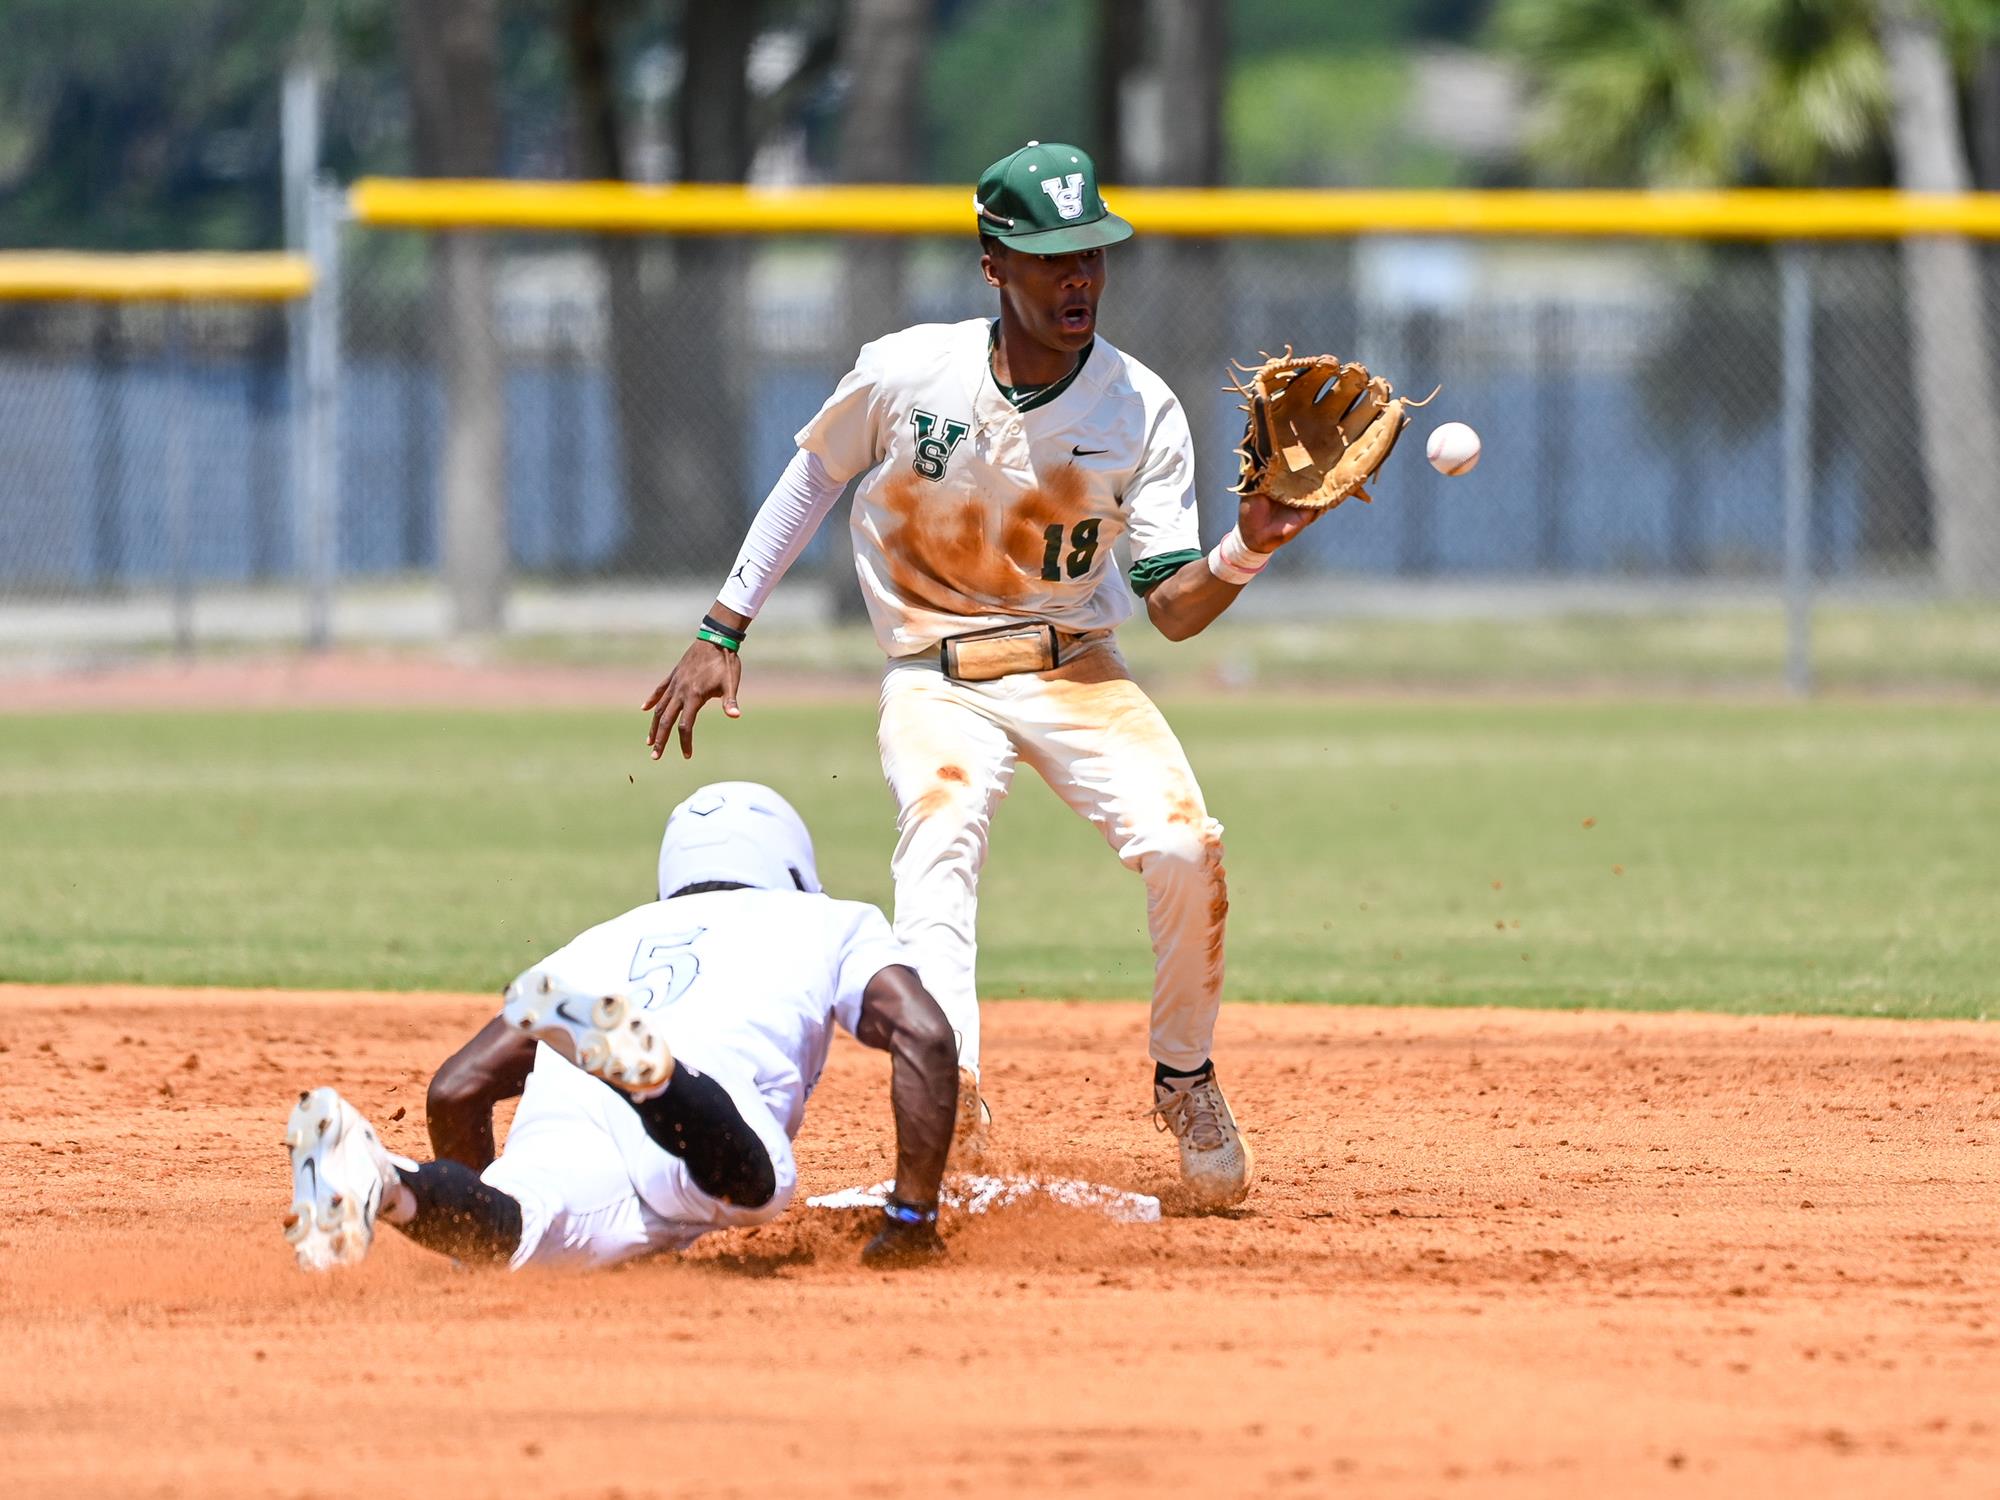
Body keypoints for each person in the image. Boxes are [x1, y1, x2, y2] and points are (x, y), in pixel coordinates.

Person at [642, 142, 1331, 1208]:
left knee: (1184, 847)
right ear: (991, 264)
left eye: (1092, 256)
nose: (1078, 280)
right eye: (1052, 258)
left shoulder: (1136, 407)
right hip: (935, 672)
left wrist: (1248, 547)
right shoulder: (906, 369)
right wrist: (722, 625)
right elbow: (811, 479)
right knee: (940, 828)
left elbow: (1171, 610)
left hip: (1076, 665)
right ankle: (950, 1090)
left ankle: (1184, 1075)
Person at [281, 782, 959, 1273]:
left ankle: (388, 1182)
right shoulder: (829, 920)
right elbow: (924, 1034)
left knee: (520, 1232)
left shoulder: (599, 940)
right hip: (701, 1097)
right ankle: (657, 1083)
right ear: (791, 868)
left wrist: (471, 1210)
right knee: (757, 1187)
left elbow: (457, 1088)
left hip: (570, 1101)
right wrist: (912, 1218)